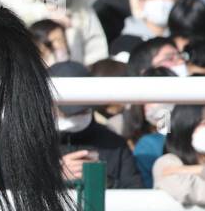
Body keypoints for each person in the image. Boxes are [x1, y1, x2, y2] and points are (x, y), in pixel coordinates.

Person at [49, 61, 144, 189]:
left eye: (85, 109)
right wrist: (53, 175)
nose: (79, 115)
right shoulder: (29, 144)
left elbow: (135, 193)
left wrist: (103, 181)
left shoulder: (114, 144)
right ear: (50, 106)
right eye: (69, 112)